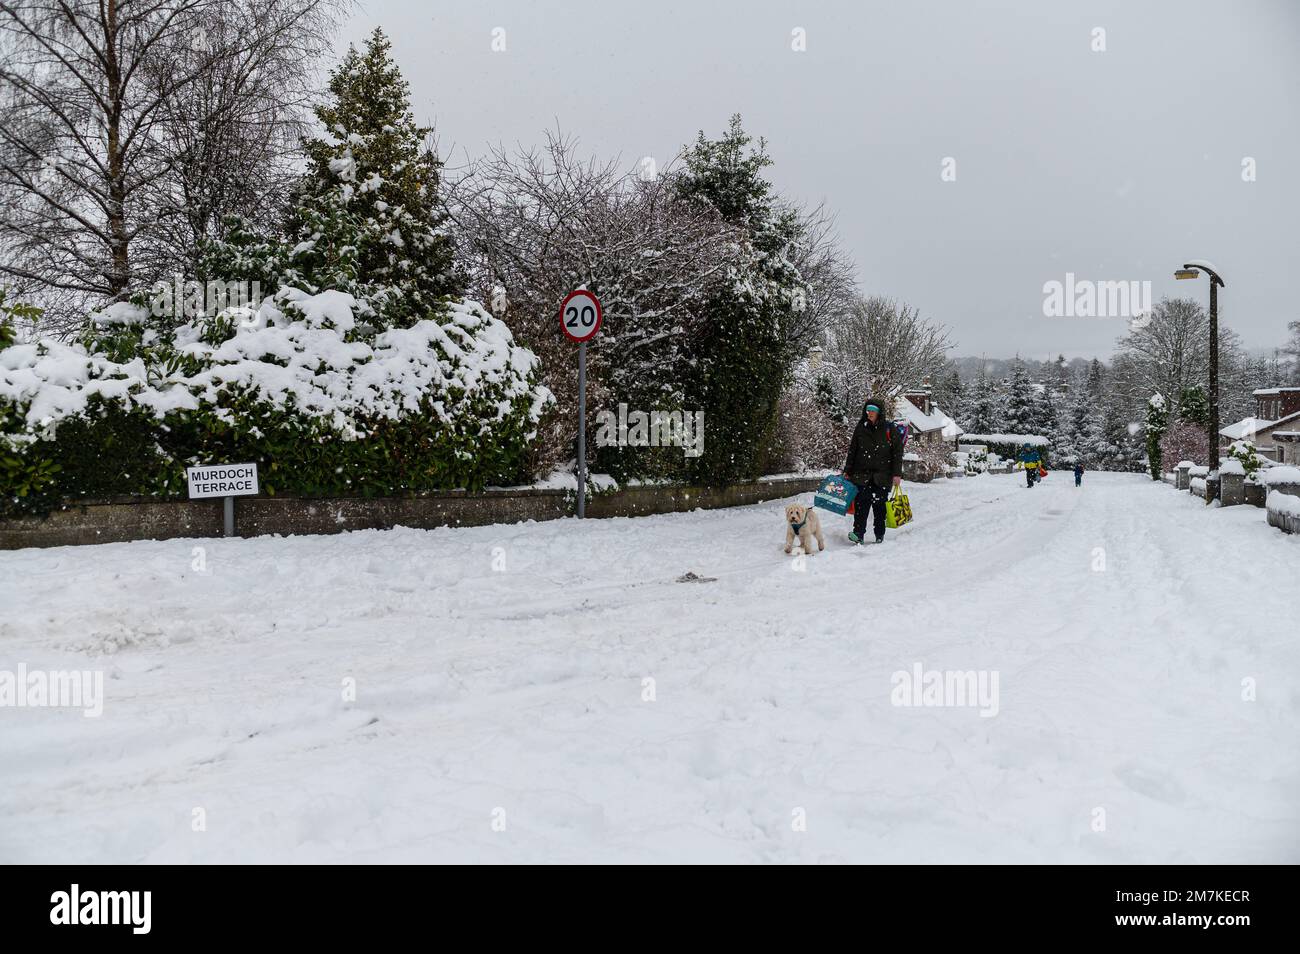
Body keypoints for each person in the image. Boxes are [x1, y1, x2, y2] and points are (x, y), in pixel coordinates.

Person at [842, 397, 903, 544]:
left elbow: (897, 452)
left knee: (879, 507)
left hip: (882, 476)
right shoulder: (861, 427)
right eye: (868, 410)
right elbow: (853, 450)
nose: (869, 413)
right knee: (861, 506)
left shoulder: (889, 428)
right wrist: (847, 470)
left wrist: (896, 474)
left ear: (879, 413)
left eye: (873, 411)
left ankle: (879, 534)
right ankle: (858, 534)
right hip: (862, 475)